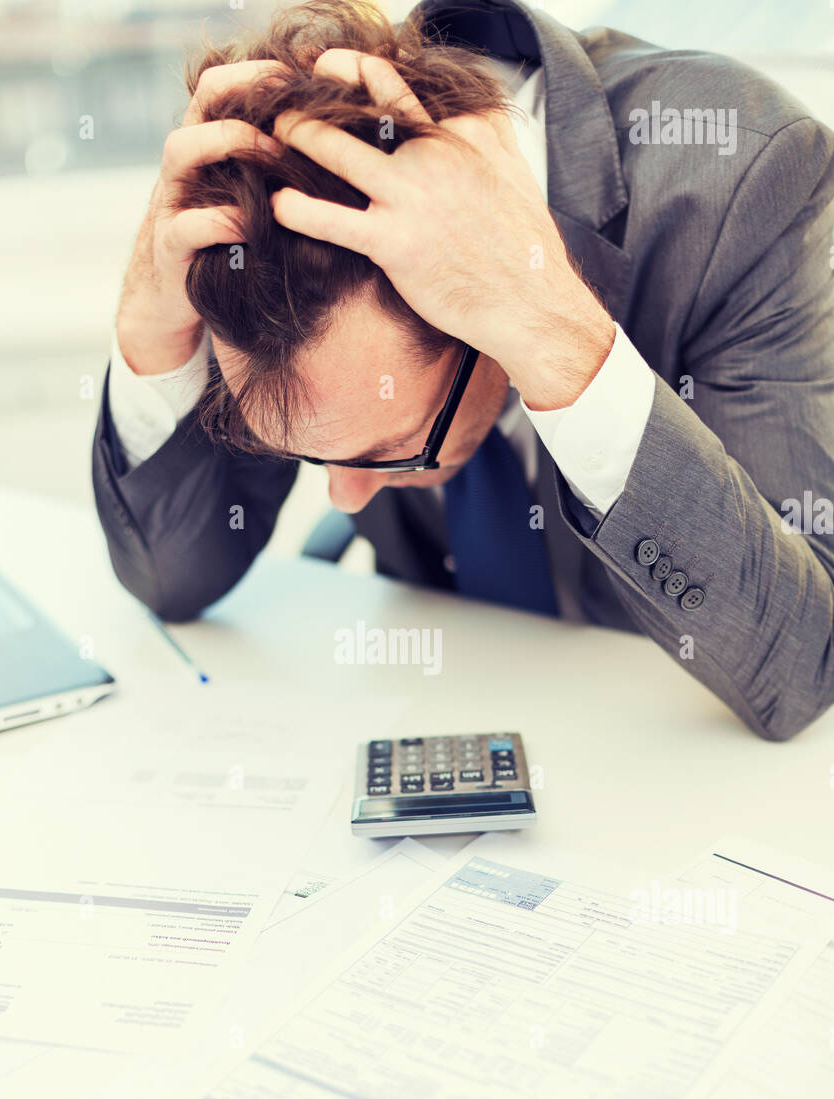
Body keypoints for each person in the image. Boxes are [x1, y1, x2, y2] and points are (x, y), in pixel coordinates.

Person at [93, 0, 834, 741]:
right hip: (432, 709)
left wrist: (550, 325)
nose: (345, 500)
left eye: (391, 449)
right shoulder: (281, 245)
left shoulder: (750, 173)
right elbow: (173, 581)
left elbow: (800, 671)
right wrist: (149, 327)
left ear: (478, 322)